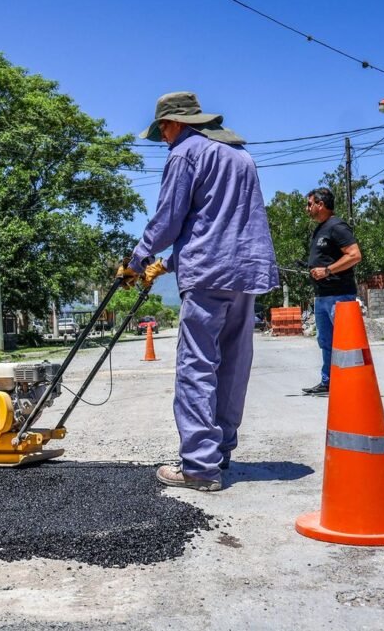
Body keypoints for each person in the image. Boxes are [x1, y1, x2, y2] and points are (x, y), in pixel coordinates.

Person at [118, 92, 278, 492]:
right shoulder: (240, 155)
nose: (164, 139)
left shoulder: (186, 153)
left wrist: (137, 259)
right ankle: (220, 452)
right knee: (232, 365)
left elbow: (171, 219)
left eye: (164, 130)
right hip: (245, 272)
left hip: (208, 276)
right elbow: (218, 223)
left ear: (175, 124)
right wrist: (168, 263)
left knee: (197, 366)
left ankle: (199, 467)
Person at [301, 187, 362, 395]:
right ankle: (328, 382)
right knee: (325, 342)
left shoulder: (337, 226)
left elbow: (354, 255)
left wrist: (327, 270)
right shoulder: (320, 228)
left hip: (340, 296)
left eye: (310, 204)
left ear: (321, 204)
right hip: (322, 297)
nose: (307, 208)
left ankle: (352, 382)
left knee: (345, 342)